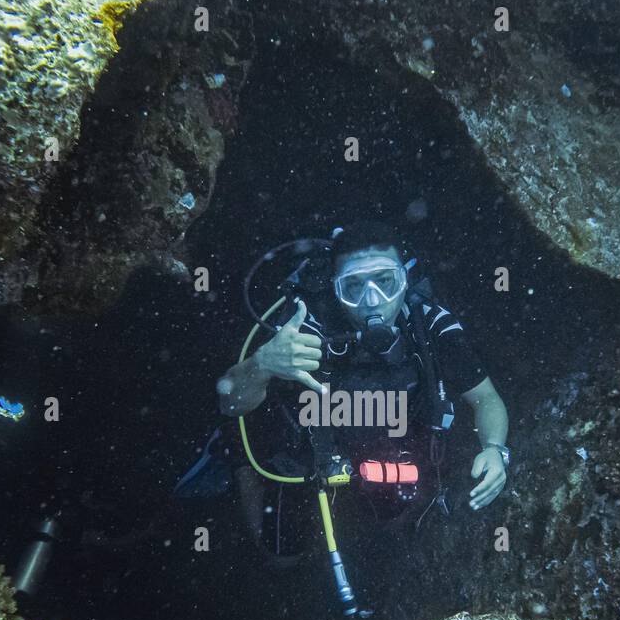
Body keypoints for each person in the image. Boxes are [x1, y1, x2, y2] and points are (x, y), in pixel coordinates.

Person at [216, 221, 510, 566]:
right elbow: (229, 400)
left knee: (394, 521)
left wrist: (494, 449)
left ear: (406, 279)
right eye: (353, 287)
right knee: (281, 558)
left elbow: (485, 398)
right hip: (307, 446)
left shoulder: (429, 325)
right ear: (333, 289)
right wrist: (263, 363)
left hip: (379, 442)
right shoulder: (304, 326)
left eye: (386, 282)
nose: (372, 302)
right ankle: (240, 466)